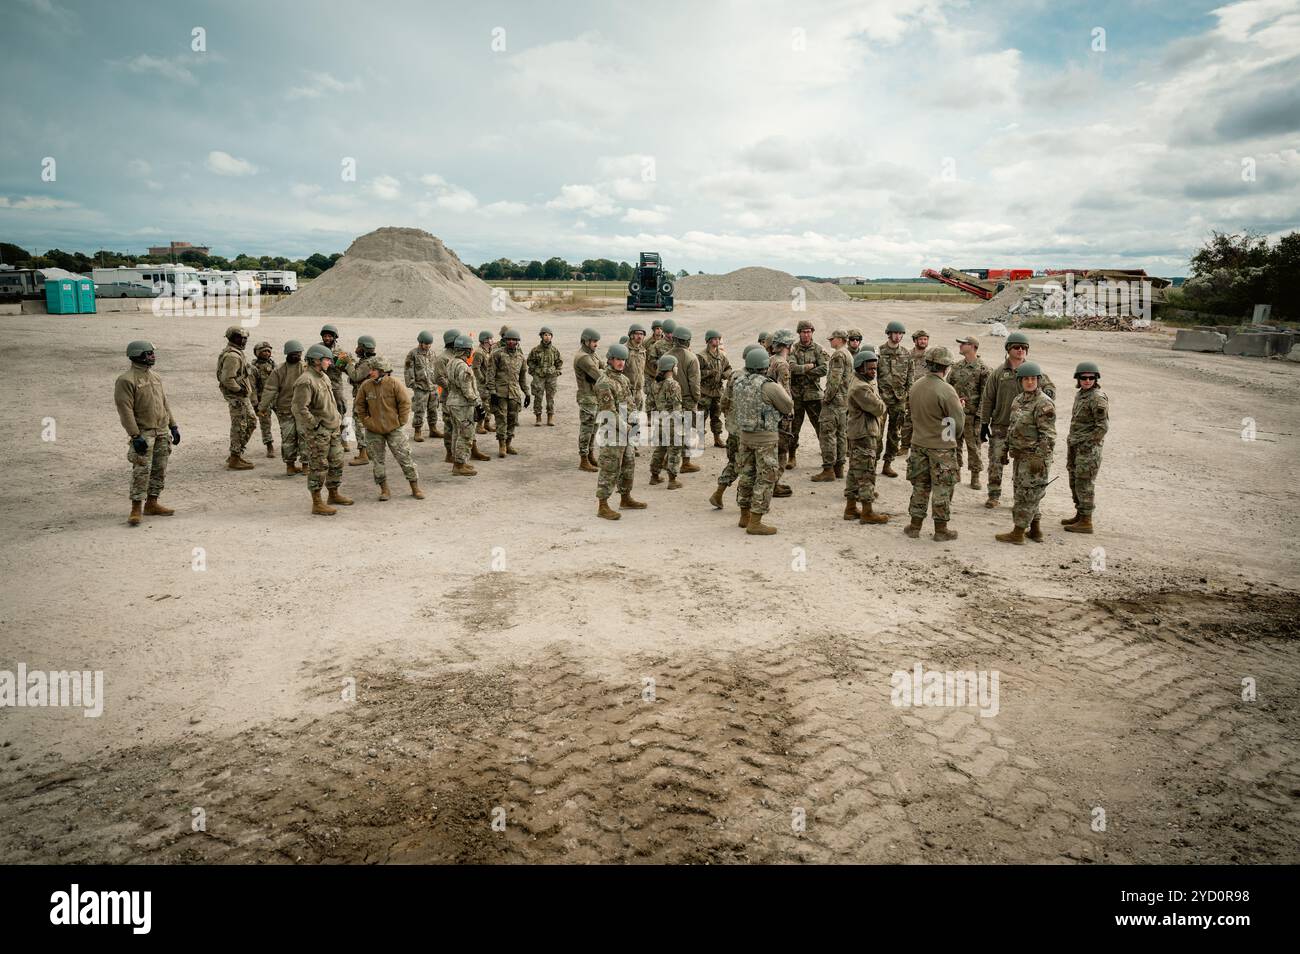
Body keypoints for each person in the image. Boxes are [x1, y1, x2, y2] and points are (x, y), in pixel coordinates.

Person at [979, 331, 1055, 509]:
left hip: (1025, 429)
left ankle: (1019, 498)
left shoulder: (1034, 371)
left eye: (1024, 347)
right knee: (996, 462)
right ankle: (994, 494)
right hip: (1000, 425)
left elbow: (1050, 389)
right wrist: (984, 423)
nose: (1020, 350)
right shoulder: (998, 373)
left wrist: (1045, 396)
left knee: (1022, 465)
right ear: (1008, 349)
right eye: (1016, 347)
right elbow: (988, 398)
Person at [902, 346, 963, 542]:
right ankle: (941, 530)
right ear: (946, 367)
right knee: (942, 488)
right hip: (941, 447)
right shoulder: (946, 390)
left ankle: (914, 526)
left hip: (919, 443)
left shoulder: (916, 385)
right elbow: (957, 424)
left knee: (920, 486)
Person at [115, 340, 179, 526]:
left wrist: (173, 426)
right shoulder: (126, 380)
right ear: (137, 354)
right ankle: (136, 508)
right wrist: (135, 435)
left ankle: (152, 503)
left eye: (152, 353)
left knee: (159, 468)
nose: (152, 356)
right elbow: (125, 410)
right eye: (149, 353)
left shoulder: (156, 377)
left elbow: (165, 403)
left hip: (161, 431)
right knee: (142, 470)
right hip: (144, 433)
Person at [733, 347, 794, 535]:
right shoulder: (768, 386)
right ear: (764, 366)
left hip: (745, 437)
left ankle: (744, 516)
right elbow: (787, 405)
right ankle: (756, 521)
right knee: (766, 478)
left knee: (746, 475)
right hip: (765, 438)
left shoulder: (739, 383)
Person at [996, 361, 1055, 544]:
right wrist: (1005, 449)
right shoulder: (1019, 400)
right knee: (1027, 493)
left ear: (1038, 380)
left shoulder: (1043, 403)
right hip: (1020, 456)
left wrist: (1039, 457)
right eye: (1026, 379)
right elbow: (1012, 427)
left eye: (1033, 379)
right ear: (1020, 381)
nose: (1030, 382)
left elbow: (1048, 435)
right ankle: (1035, 530)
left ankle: (1018, 533)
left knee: (1027, 495)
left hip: (1034, 458)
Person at [292, 344, 353, 515]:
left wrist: (338, 420)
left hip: (332, 429)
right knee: (319, 466)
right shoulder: (305, 380)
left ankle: (333, 494)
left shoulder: (323, 377)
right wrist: (314, 424)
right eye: (327, 359)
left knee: (337, 462)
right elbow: (299, 409)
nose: (329, 362)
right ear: (317, 360)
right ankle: (317, 502)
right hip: (319, 431)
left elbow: (331, 402)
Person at [355, 356, 424, 501]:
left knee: (405, 458)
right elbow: (359, 406)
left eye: (374, 370)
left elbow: (405, 403)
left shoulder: (394, 383)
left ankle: (415, 488)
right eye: (371, 370)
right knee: (377, 462)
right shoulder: (366, 386)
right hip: (374, 431)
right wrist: (367, 422)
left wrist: (400, 421)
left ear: (383, 371)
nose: (370, 373)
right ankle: (384, 489)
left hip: (394, 429)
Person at [594, 343, 647, 519]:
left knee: (628, 464)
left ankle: (625, 497)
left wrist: (635, 423)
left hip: (626, 430)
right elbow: (609, 412)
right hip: (612, 432)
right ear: (610, 359)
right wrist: (626, 427)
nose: (621, 363)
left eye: (623, 360)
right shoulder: (604, 383)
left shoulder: (623, 379)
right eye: (618, 359)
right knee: (610, 467)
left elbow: (630, 404)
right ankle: (603, 505)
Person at [1062, 361, 1108, 533]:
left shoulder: (1097, 398)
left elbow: (1102, 427)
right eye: (1084, 378)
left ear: (1096, 379)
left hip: (1087, 450)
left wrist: (1087, 445)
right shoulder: (1081, 395)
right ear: (1078, 379)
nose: (1087, 380)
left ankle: (1086, 521)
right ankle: (1080, 514)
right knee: (1074, 480)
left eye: (1091, 378)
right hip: (1075, 445)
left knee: (1084, 483)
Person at [845, 348, 889, 525]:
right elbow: (879, 408)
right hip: (864, 433)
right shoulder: (861, 387)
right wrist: (882, 404)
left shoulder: (860, 381)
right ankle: (867, 512)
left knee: (855, 471)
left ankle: (850, 508)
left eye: (875, 368)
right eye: (870, 369)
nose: (874, 372)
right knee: (866, 473)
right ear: (860, 368)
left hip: (859, 431)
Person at [948, 336, 990, 489]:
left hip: (972, 416)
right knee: (953, 445)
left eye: (963, 344)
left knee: (973, 447)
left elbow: (986, 396)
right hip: (954, 414)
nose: (960, 346)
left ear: (972, 346)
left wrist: (980, 416)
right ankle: (956, 472)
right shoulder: (956, 367)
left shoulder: (983, 369)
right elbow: (947, 388)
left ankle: (975, 476)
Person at [259, 340, 307, 474]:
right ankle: (290, 466)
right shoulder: (279, 371)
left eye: (298, 353)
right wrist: (262, 407)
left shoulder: (306, 368)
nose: (297, 356)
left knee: (305, 436)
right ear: (287, 354)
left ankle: (305, 465)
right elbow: (269, 390)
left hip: (303, 409)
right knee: (288, 438)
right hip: (285, 410)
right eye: (294, 354)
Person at [813, 329, 851, 481]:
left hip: (834, 401)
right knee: (841, 434)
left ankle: (828, 470)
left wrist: (826, 398)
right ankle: (839, 468)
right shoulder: (847, 353)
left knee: (827, 434)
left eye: (832, 339)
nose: (830, 341)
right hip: (844, 400)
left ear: (840, 339)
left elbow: (835, 380)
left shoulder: (838, 355)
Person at [788, 319, 827, 470]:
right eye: (804, 332)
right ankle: (791, 456)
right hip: (796, 395)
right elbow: (791, 368)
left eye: (809, 331)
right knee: (793, 428)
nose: (806, 334)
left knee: (820, 427)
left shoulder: (818, 349)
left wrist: (804, 371)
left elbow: (824, 369)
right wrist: (810, 367)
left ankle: (826, 455)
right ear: (799, 333)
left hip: (813, 395)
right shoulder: (793, 349)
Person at [445, 335, 486, 477]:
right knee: (466, 434)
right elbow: (467, 389)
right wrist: (477, 404)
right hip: (462, 405)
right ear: (466, 350)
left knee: (457, 433)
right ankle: (459, 465)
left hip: (452, 402)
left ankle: (460, 461)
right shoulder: (463, 367)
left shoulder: (451, 362)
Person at [217, 325, 257, 470]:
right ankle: (235, 458)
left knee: (251, 422)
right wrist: (239, 390)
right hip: (237, 397)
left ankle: (236, 453)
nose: (243, 341)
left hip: (241, 396)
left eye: (245, 338)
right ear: (232, 338)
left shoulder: (236, 352)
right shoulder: (232, 356)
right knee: (239, 426)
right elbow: (227, 379)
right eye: (240, 338)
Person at [487, 328, 528, 457]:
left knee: (512, 419)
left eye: (514, 340)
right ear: (505, 341)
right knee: (501, 420)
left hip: (514, 394)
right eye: (509, 339)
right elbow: (490, 374)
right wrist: (492, 392)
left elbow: (522, 377)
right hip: (500, 393)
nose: (511, 342)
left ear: (517, 342)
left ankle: (509, 443)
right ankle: (502, 445)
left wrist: (527, 393)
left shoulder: (521, 357)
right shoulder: (497, 354)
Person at [666, 326, 702, 473]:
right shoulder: (691, 357)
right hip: (687, 400)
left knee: (671, 431)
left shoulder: (666, 356)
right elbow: (695, 383)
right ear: (687, 341)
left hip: (670, 400)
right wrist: (696, 398)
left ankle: (666, 460)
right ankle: (685, 463)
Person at [875, 320, 909, 477]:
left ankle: (888, 464)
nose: (898, 336)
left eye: (900, 333)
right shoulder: (879, 352)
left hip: (899, 400)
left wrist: (907, 398)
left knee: (895, 434)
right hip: (881, 400)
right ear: (889, 334)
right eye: (895, 333)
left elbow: (910, 378)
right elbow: (872, 376)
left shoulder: (906, 354)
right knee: (876, 433)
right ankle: (873, 464)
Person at [767, 330, 795, 496]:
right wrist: (789, 411)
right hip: (780, 413)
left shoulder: (771, 360)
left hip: (770, 411)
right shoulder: (783, 364)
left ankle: (772, 482)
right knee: (782, 450)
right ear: (787, 345)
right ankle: (774, 483)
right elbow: (783, 391)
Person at [649, 354, 684, 489]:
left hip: (659, 420)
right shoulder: (674, 384)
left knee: (660, 449)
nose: (676, 368)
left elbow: (650, 404)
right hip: (671, 423)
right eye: (675, 366)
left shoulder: (655, 384)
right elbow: (677, 407)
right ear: (671, 367)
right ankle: (672, 480)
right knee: (674, 450)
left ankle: (654, 476)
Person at [347, 335, 380, 466]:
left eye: (359, 346)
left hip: (363, 398)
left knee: (359, 424)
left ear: (364, 348)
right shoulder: (370, 361)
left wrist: (349, 364)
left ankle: (363, 454)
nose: (357, 349)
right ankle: (369, 453)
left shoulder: (367, 363)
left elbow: (355, 376)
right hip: (369, 397)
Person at [574, 327, 604, 471]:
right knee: (586, 429)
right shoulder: (584, 357)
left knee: (594, 428)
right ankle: (583, 459)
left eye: (596, 341)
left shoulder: (592, 354)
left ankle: (590, 455)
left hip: (594, 397)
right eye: (593, 341)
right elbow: (599, 375)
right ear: (585, 341)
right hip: (587, 397)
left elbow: (603, 366)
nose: (596, 344)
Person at [898, 328, 931, 453]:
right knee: (908, 419)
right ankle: (905, 446)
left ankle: (921, 446)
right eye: (921, 339)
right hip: (910, 393)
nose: (923, 341)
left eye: (925, 339)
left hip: (926, 393)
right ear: (915, 341)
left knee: (924, 420)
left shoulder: (931, 356)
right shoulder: (907, 355)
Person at [404, 330, 440, 443]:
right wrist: (413, 384)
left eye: (430, 344)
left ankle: (433, 429)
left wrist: (436, 382)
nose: (428, 346)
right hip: (421, 387)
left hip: (432, 387)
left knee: (433, 409)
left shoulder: (432, 353)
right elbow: (408, 370)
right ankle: (417, 431)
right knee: (419, 410)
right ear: (420, 342)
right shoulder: (413, 354)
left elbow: (435, 368)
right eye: (426, 344)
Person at [697, 330, 731, 447]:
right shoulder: (701, 356)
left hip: (717, 391)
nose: (717, 341)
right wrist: (709, 372)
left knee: (716, 416)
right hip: (705, 391)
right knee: (701, 417)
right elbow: (696, 373)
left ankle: (717, 439)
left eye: (718, 339)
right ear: (709, 340)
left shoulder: (721, 356)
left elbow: (728, 368)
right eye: (715, 339)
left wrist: (725, 374)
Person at [527, 325, 564, 426]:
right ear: (541, 336)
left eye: (549, 335)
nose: (547, 337)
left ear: (551, 337)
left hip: (551, 377)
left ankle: (550, 418)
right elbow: (530, 361)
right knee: (538, 397)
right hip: (539, 377)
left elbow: (559, 362)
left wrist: (557, 371)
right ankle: (538, 418)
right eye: (545, 335)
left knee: (550, 397)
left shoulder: (554, 350)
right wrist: (535, 371)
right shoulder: (535, 350)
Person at [251, 340, 277, 458]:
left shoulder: (273, 365)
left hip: (276, 397)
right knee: (265, 423)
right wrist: (256, 403)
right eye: (263, 351)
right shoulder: (253, 368)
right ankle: (269, 445)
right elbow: (253, 387)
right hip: (263, 399)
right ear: (257, 353)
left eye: (268, 351)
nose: (266, 353)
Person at [319, 323, 349, 422]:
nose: (327, 338)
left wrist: (340, 363)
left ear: (334, 337)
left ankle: (341, 425)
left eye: (329, 336)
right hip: (320, 382)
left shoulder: (340, 351)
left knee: (340, 404)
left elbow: (346, 367)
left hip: (335, 383)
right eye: (325, 336)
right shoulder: (318, 349)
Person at [474, 330, 495, 434]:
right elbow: (475, 368)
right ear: (484, 340)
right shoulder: (479, 352)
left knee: (490, 403)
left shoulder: (491, 350)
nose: (492, 340)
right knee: (484, 404)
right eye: (490, 338)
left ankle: (487, 423)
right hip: (483, 384)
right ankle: (479, 425)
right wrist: (481, 379)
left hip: (490, 382)